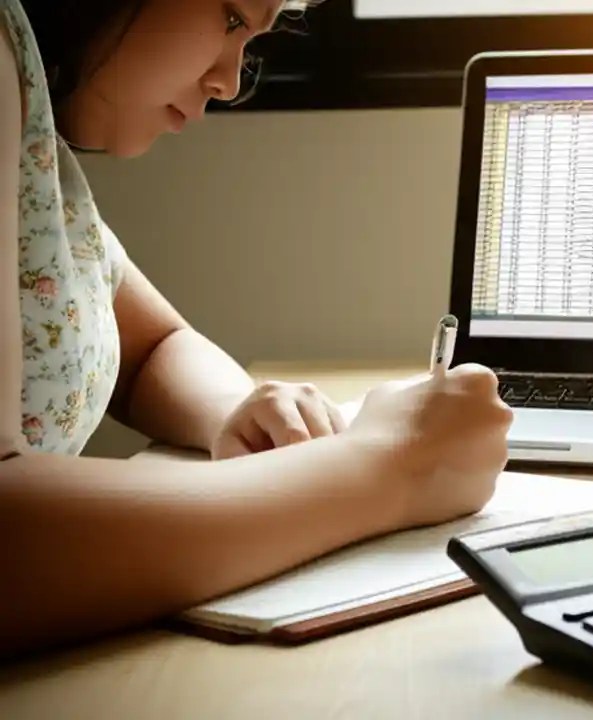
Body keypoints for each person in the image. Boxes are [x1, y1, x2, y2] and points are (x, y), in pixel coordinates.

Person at [0, 0, 512, 659]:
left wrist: (237, 410)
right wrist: (386, 467)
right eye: (234, 19)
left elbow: (150, 348)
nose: (231, 82)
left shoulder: (34, 130)